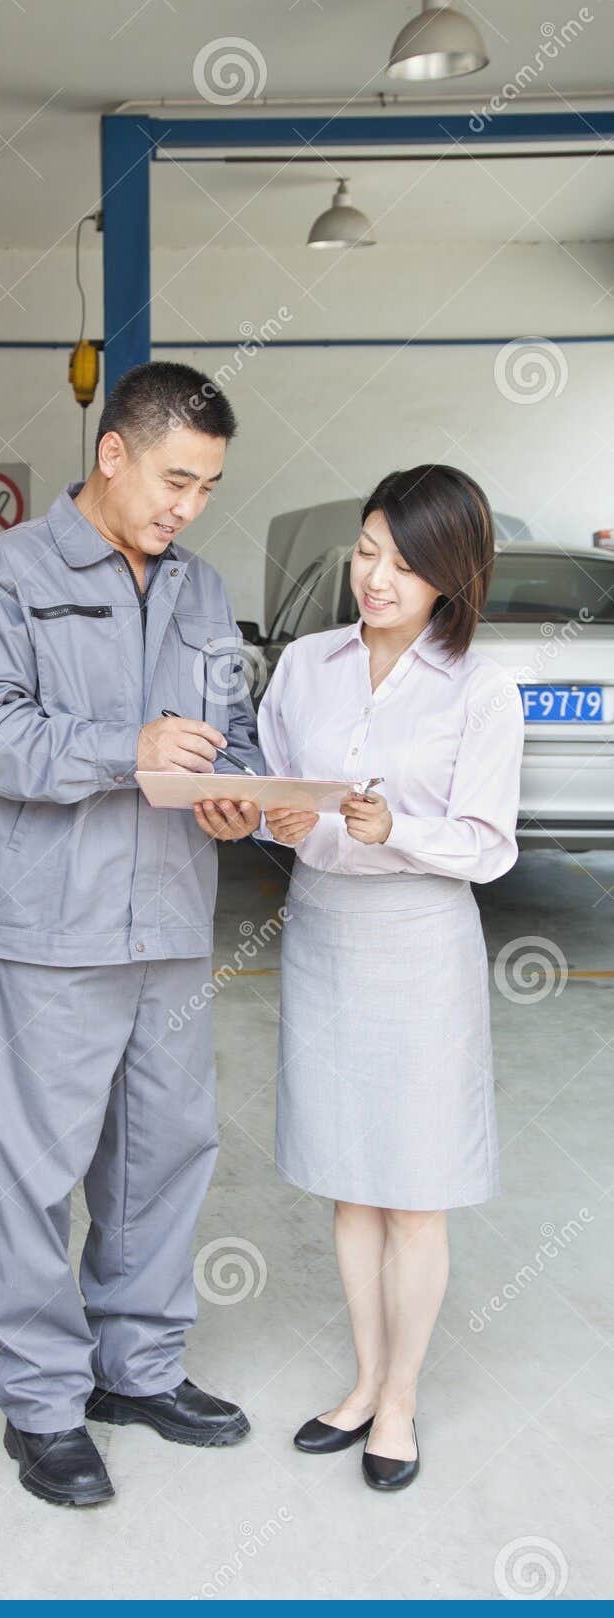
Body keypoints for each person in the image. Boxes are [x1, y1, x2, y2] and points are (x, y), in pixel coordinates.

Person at [0, 362, 263, 1508]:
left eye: (208, 487)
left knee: (164, 1152)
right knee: (32, 1170)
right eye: (175, 477)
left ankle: (137, 1368)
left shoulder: (204, 590)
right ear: (113, 454)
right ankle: (40, 1401)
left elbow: (226, 737)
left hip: (170, 916)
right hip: (51, 923)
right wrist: (123, 747)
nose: (187, 505)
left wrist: (243, 789)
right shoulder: (9, 576)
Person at [257, 464, 524, 1492]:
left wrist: (391, 828)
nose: (377, 579)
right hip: (322, 932)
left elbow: (487, 846)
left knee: (413, 1192)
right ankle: (361, 1380)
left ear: (450, 580)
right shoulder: (306, 666)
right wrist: (282, 819)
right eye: (368, 552)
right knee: (348, 1181)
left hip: (418, 942)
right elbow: (281, 786)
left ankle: (401, 1398)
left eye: (406, 567)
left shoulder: (478, 685)